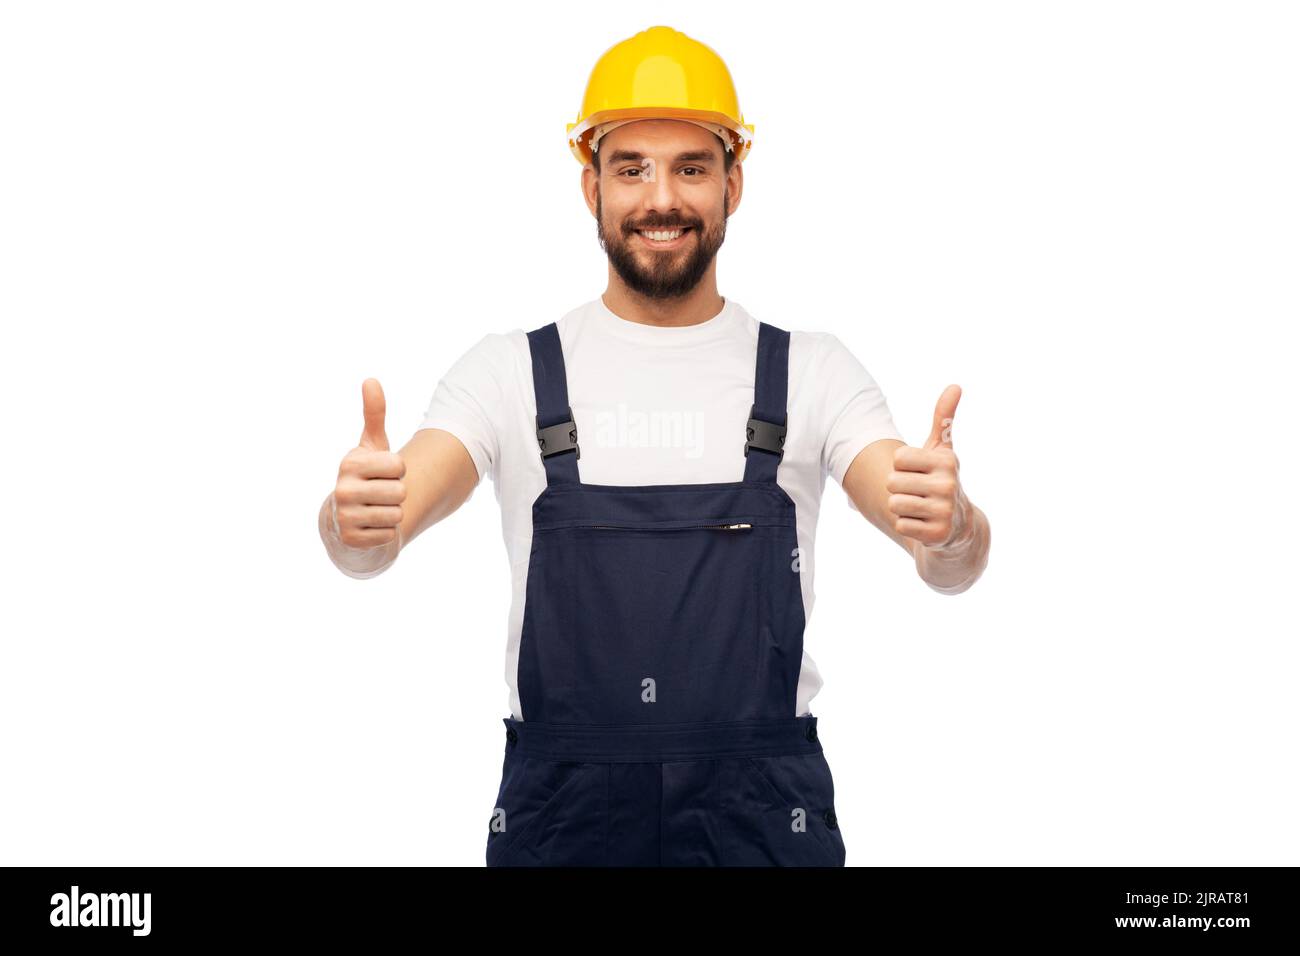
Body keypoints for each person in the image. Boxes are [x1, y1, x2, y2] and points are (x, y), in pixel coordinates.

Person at [318, 25, 991, 866]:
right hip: (561, 817)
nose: (659, 198)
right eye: (631, 167)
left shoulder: (812, 373)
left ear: (734, 184)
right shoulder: (509, 375)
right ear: (589, 184)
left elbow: (947, 563)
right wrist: (354, 521)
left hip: (762, 815)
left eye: (691, 168)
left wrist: (953, 526)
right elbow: (373, 539)